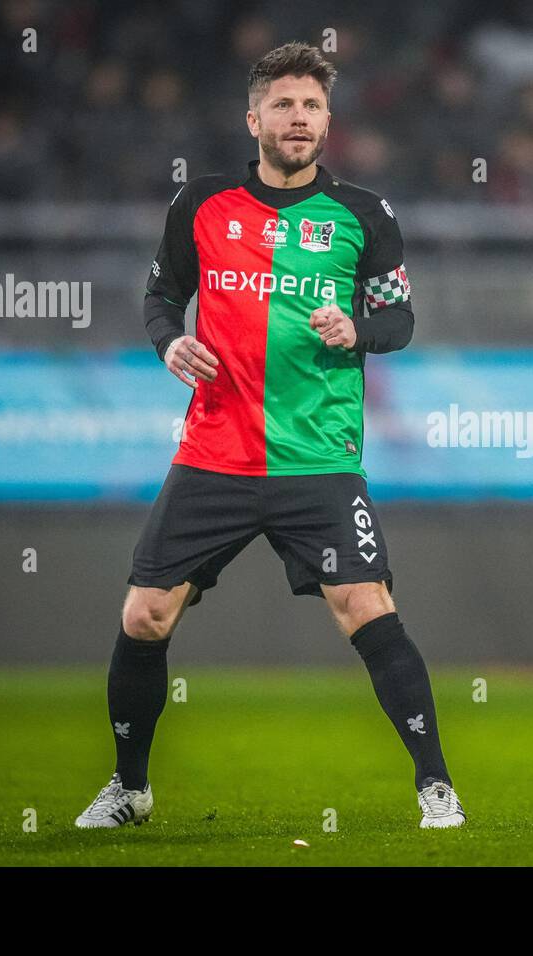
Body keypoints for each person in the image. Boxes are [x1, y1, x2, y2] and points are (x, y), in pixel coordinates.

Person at [74, 42, 465, 827]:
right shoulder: (201, 205)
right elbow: (160, 297)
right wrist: (168, 341)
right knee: (144, 614)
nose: (298, 118)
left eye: (312, 106)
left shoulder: (365, 216)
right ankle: (130, 788)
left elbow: (401, 319)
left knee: (366, 604)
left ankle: (435, 787)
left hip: (317, 457)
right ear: (254, 118)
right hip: (214, 452)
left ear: (328, 123)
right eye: (284, 104)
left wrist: (355, 328)